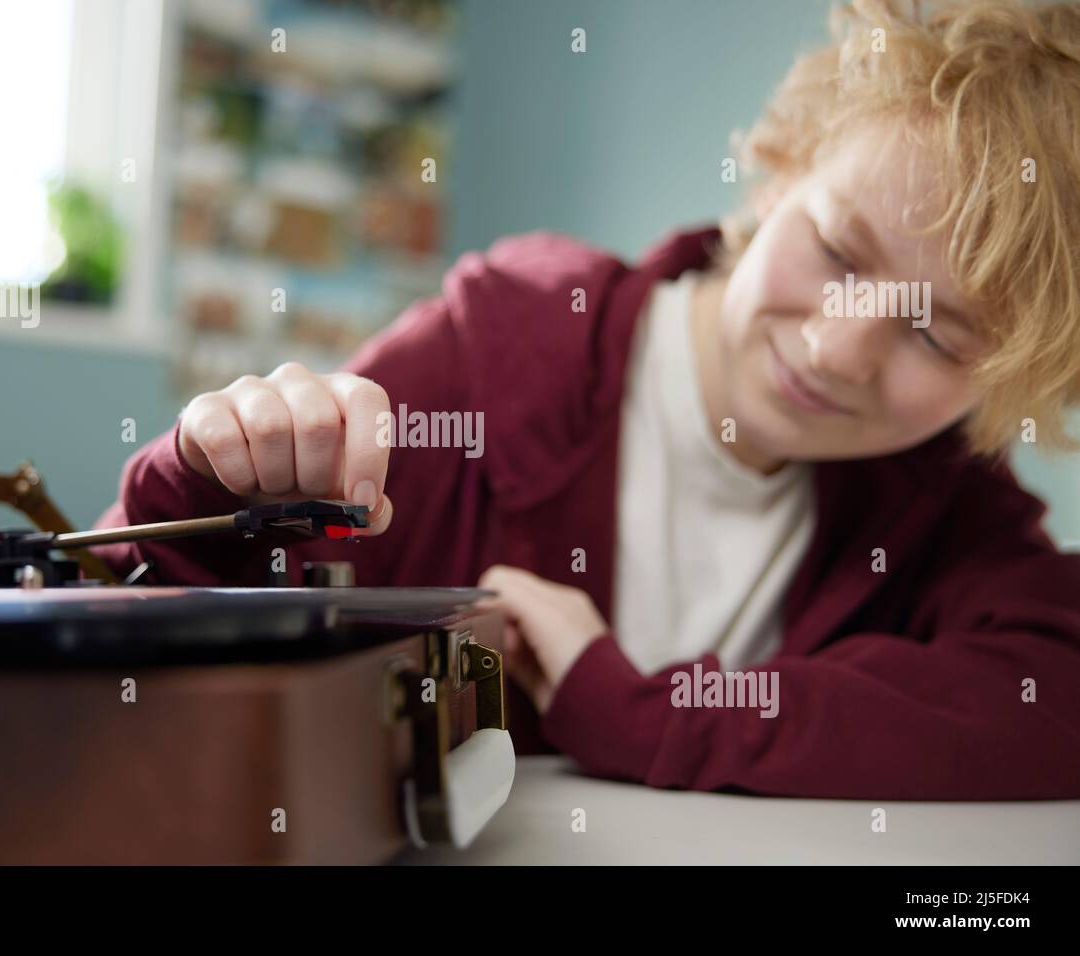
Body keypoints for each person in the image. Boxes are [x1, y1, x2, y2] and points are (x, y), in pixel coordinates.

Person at [97, 0, 1080, 798]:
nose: (835, 348)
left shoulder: (940, 498)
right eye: (835, 250)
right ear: (779, 172)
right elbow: (109, 630)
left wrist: (647, 712)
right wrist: (202, 482)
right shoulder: (487, 363)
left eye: (937, 336)